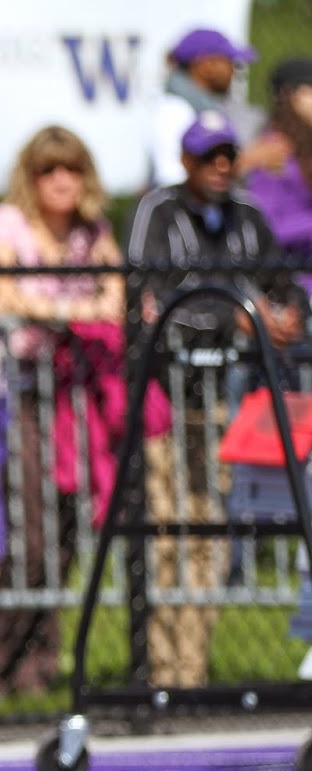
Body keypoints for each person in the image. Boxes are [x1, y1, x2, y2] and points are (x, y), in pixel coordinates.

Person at [127, 113, 307, 688]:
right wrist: (231, 317)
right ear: (186, 162)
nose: (222, 166)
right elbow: (148, 302)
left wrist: (284, 318)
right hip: (166, 399)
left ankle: (192, 672)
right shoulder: (158, 213)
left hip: (224, 403)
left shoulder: (249, 217)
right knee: (169, 529)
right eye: (209, 157)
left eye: (229, 154)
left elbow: (284, 289)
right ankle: (160, 673)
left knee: (210, 534)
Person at [0, 127, 129, 699]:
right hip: (21, 393)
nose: (62, 181)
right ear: (30, 178)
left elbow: (114, 303)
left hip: (76, 393)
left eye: (72, 170)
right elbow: (1, 297)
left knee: (65, 532)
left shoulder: (94, 232)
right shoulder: (7, 224)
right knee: (30, 535)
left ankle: (38, 665)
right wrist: (71, 308)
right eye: (48, 171)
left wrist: (56, 310)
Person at [149, 28, 273, 190]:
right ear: (206, 64)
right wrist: (246, 162)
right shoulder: (174, 111)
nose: (234, 72)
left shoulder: (200, 106)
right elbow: (173, 180)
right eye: (231, 63)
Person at [246, 58, 312, 302]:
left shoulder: (304, 147)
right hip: (293, 285)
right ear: (291, 95)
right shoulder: (273, 151)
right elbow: (265, 226)